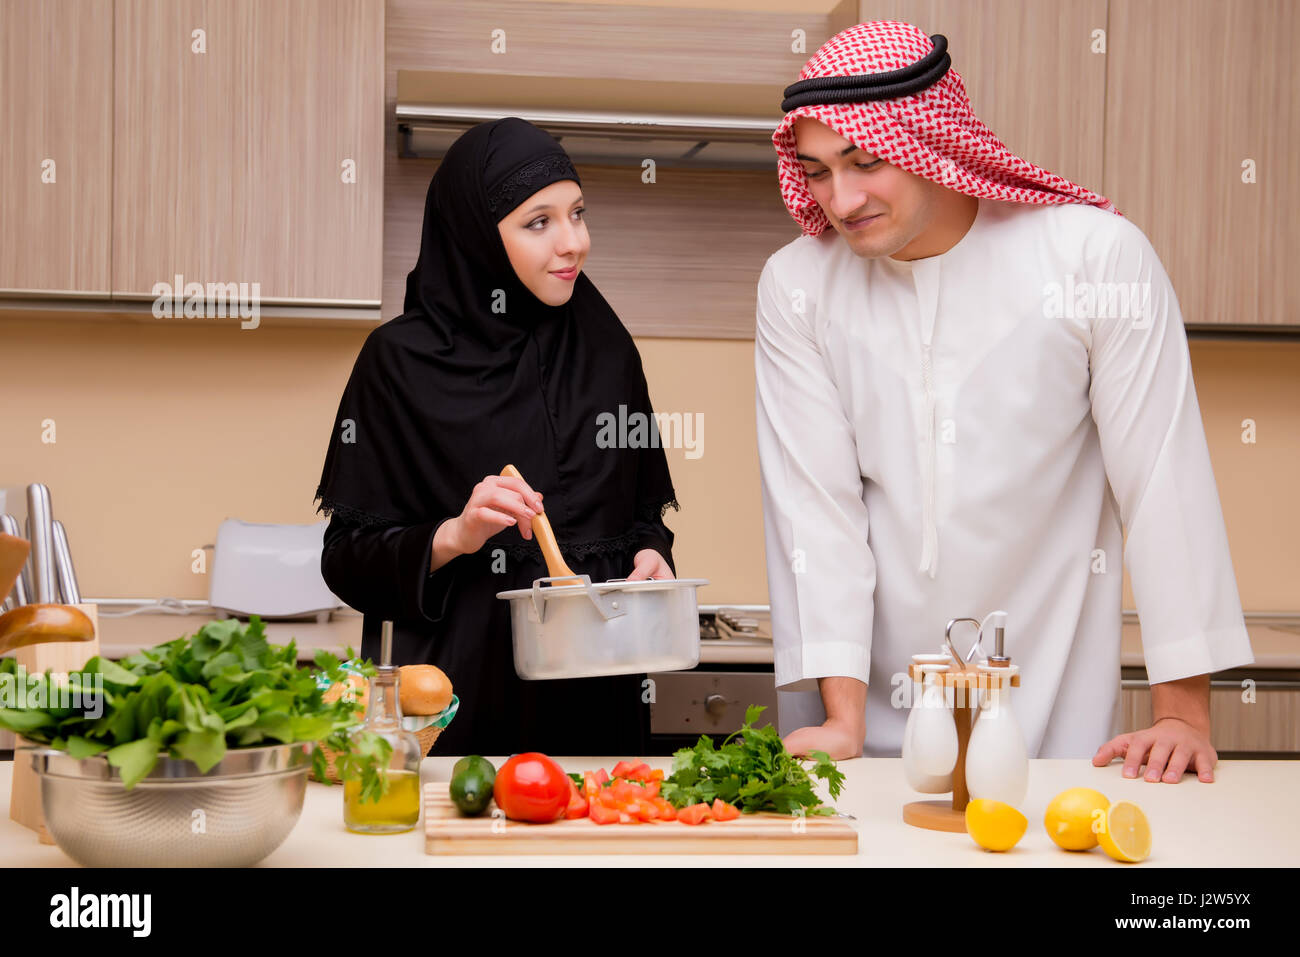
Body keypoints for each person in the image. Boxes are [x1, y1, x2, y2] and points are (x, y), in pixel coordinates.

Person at [756, 22, 1253, 781]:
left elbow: (1160, 484)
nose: (841, 198)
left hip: (1051, 722)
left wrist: (1181, 714)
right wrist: (842, 721)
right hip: (857, 740)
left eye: (865, 161)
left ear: (934, 141)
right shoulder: (797, 286)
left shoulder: (1093, 258)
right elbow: (817, 510)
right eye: (817, 171)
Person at [315, 117, 678, 756]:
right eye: (538, 222)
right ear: (477, 235)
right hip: (457, 716)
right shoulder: (397, 363)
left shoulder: (607, 350)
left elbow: (642, 516)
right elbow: (347, 559)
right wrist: (454, 535)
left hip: (600, 712)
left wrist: (651, 558)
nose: (572, 243)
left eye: (577, 213)